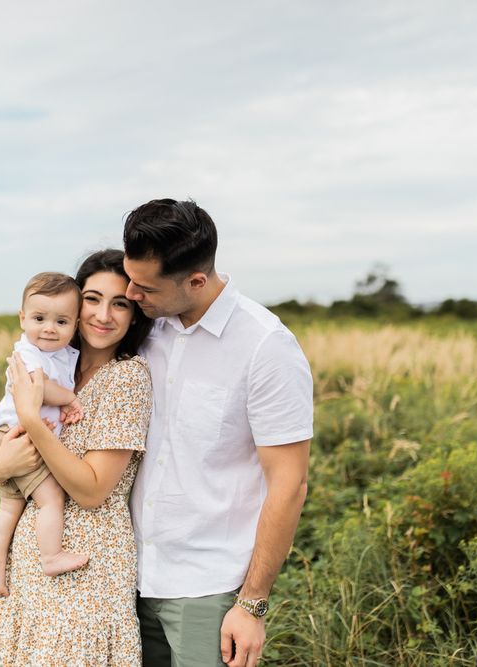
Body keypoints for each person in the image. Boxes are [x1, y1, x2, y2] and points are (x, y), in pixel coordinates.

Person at [122, 199, 313, 667]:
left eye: (144, 285)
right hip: (126, 576)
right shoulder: (142, 331)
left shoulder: (266, 348)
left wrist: (251, 604)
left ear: (196, 281)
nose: (130, 292)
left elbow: (289, 485)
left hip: (208, 588)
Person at [0, 249, 154, 666]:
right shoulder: (54, 364)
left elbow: (92, 491)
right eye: (92, 299)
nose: (103, 315)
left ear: (134, 314)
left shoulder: (126, 377)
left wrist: (33, 423)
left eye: (119, 303)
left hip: (88, 559)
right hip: (28, 559)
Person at [0, 272, 89, 598]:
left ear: (76, 324)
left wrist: (64, 408)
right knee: (52, 499)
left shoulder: (63, 354)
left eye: (61, 321)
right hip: (17, 437)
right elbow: (38, 388)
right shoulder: (28, 353)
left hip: (9, 436)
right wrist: (70, 398)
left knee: (9, 508)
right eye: (39, 318)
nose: (49, 328)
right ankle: (52, 556)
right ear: (22, 318)